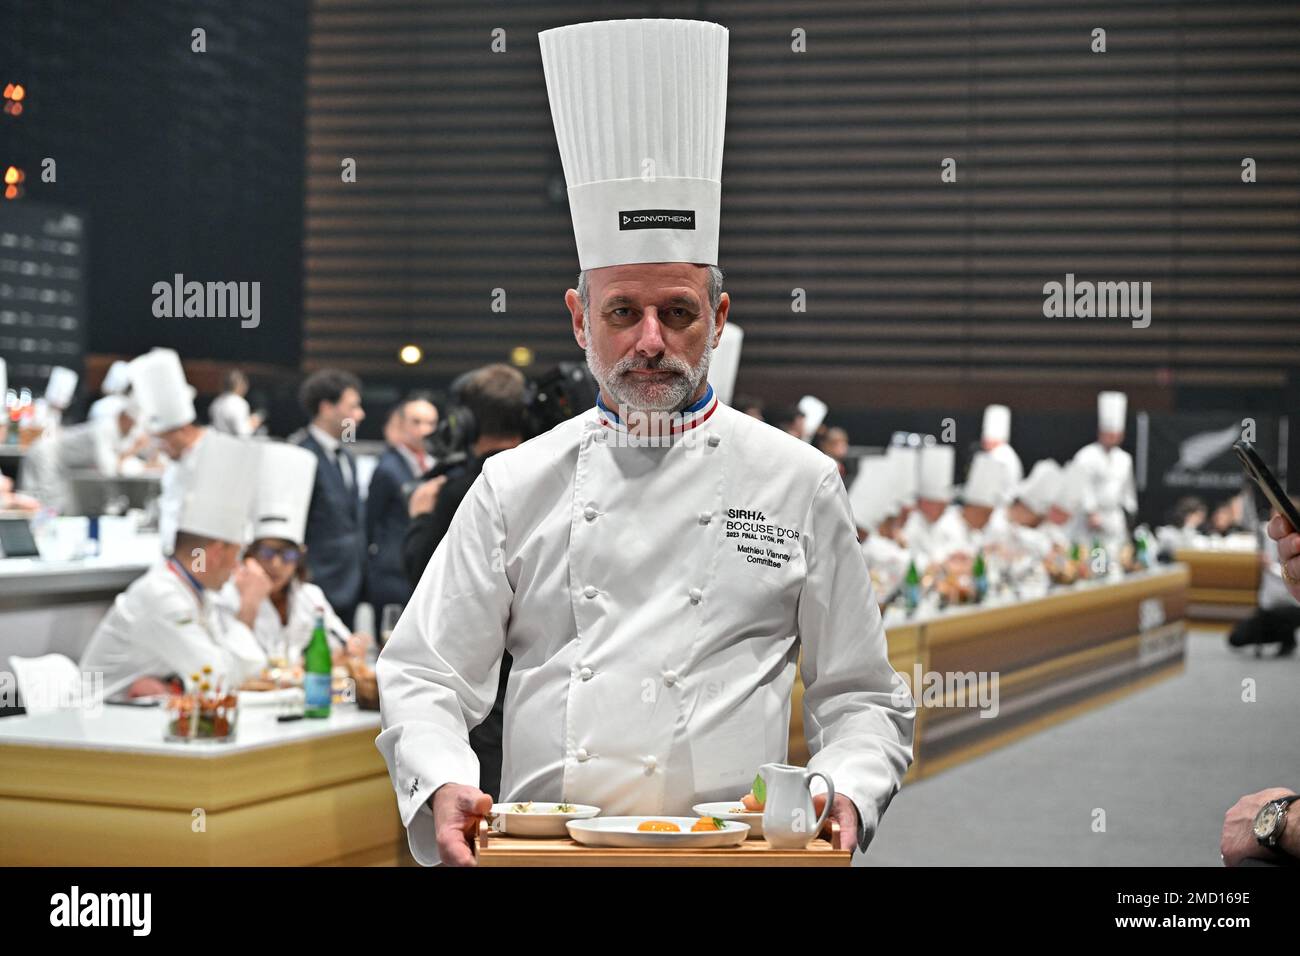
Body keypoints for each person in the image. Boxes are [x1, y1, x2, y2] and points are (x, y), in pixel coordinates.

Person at [377, 18, 913, 867]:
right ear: (580, 319)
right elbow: (426, 675)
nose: (651, 340)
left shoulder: (798, 480)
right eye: (623, 313)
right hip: (545, 853)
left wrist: (846, 785)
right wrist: (443, 777)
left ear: (719, 321)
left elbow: (863, 697)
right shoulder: (515, 483)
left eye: (679, 312)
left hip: (732, 858)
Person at [400, 363, 527, 804]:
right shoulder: (543, 477)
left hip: (480, 697)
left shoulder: (456, 490)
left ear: (465, 422)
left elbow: (425, 583)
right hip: (534, 691)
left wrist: (419, 518)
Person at [80, 432, 269, 699]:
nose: (238, 568)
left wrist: (177, 685)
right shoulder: (161, 596)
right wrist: (248, 609)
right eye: (236, 556)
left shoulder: (198, 595)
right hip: (93, 729)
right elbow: (215, 679)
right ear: (215, 553)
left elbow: (227, 673)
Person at [219, 440, 365, 664]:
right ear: (250, 554)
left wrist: (351, 648)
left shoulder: (309, 597)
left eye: (288, 556)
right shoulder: (227, 598)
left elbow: (343, 647)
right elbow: (229, 665)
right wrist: (250, 603)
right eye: (268, 553)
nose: (277, 565)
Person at [292, 368, 367, 628]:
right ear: (326, 407)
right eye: (353, 407)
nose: (360, 415)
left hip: (352, 578)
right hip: (316, 580)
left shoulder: (347, 457)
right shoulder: (300, 454)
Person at [365, 393, 438, 613]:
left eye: (431, 423)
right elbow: (370, 520)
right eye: (416, 422)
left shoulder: (435, 464)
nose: (424, 429)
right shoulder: (387, 468)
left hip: (426, 570)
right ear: (401, 424)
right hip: (394, 572)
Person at [129, 348, 206, 554]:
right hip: (175, 563)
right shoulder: (175, 463)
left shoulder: (213, 458)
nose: (159, 447)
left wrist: (197, 571)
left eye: (163, 440)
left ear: (182, 430)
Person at [18, 396, 144, 513]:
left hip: (60, 463)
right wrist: (130, 454)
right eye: (131, 422)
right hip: (46, 454)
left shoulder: (124, 433)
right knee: (45, 502)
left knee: (55, 503)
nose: (132, 426)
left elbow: (122, 461)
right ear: (123, 417)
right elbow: (108, 468)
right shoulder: (103, 429)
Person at [1070, 390, 1137, 549]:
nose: (1112, 438)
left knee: (1117, 556)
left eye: (1116, 435)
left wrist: (1130, 512)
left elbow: (1128, 489)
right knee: (1097, 559)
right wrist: (1090, 511)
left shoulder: (1124, 459)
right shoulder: (1086, 456)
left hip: (1114, 516)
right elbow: (1082, 485)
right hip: (1093, 517)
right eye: (1109, 434)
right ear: (1101, 433)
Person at [900, 443, 968, 566]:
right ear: (925, 503)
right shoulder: (909, 524)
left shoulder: (945, 521)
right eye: (940, 506)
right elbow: (907, 560)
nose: (943, 511)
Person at [979, 404, 1023, 497]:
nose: (983, 441)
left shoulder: (1000, 455)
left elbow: (987, 487)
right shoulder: (1001, 452)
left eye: (986, 439)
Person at [208, 369, 261, 437]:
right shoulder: (239, 403)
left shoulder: (216, 402)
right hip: (234, 445)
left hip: (219, 443)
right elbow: (242, 433)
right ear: (240, 386)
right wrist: (253, 423)